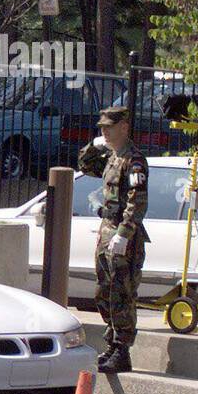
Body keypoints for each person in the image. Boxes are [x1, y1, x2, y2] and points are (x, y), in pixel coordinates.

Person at [78, 104, 149, 373]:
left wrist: (124, 234)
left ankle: (122, 349)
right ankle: (112, 344)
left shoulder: (134, 161)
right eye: (102, 128)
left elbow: (137, 203)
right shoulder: (111, 156)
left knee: (122, 292)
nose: (105, 131)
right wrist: (94, 146)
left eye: (109, 127)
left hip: (122, 233)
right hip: (106, 230)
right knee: (103, 291)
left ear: (124, 127)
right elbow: (85, 165)